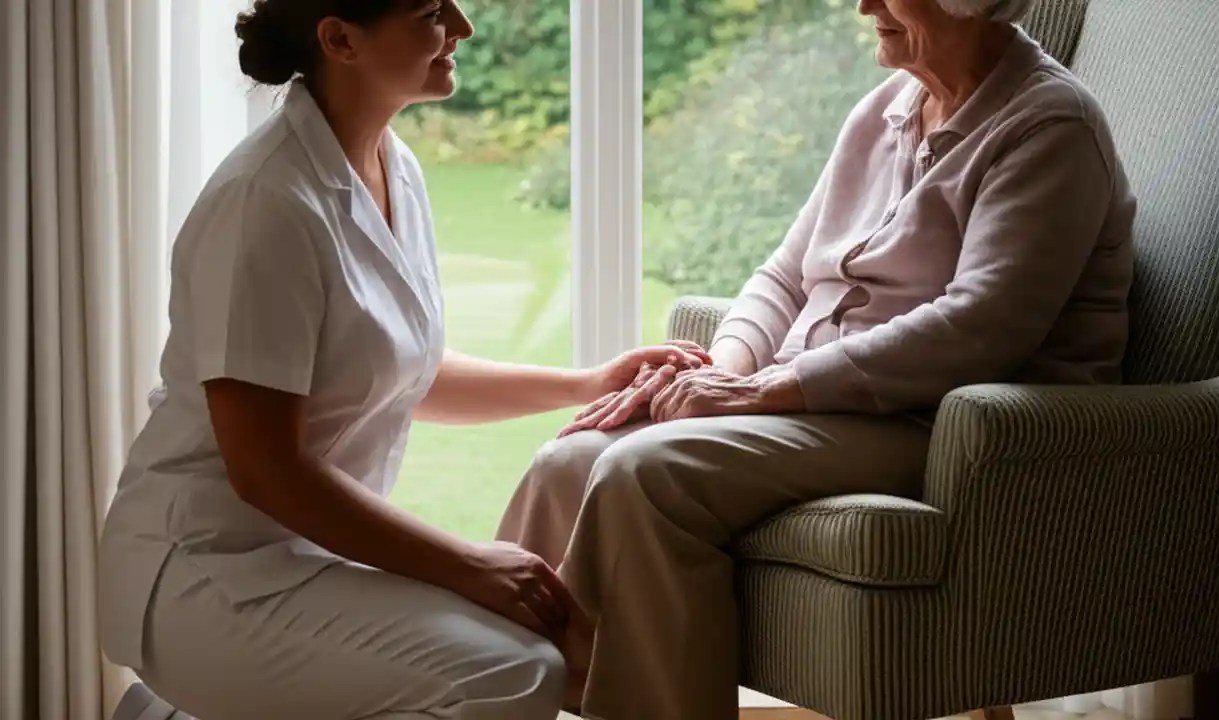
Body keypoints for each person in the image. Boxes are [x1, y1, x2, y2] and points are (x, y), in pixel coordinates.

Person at [497, 0, 1137, 717]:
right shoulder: (888, 108)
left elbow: (981, 327)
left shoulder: (1049, 126)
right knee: (570, 461)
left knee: (645, 473)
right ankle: (496, 700)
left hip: (943, 424)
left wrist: (774, 390)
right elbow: (785, 274)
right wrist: (725, 372)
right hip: (818, 406)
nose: (864, 5)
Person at [95, 1, 708, 718]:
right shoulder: (264, 204)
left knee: (578, 649)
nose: (463, 25)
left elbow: (404, 371)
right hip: (208, 574)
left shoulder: (393, 166)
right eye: (429, 10)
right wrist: (468, 563)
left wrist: (589, 382)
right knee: (511, 670)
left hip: (302, 558)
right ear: (340, 38)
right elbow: (265, 470)